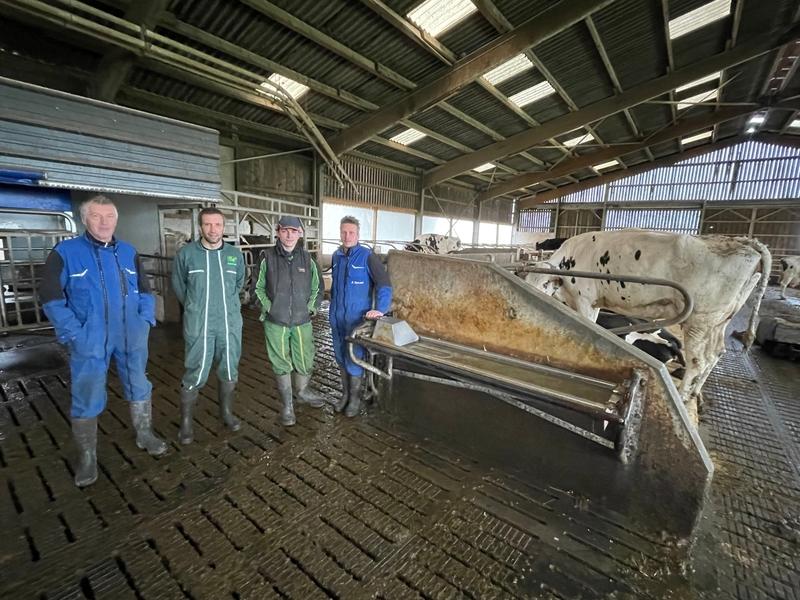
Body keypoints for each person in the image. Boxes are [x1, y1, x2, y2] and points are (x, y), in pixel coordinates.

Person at [41, 195, 167, 488]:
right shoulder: (66, 252)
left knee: (138, 382)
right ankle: (87, 457)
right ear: (84, 219)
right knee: (87, 392)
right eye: (96, 216)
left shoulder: (128, 251)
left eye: (109, 216)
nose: (104, 222)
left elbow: (146, 289)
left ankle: (144, 433)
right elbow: (50, 295)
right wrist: (73, 332)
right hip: (90, 335)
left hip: (130, 333)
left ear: (116, 219)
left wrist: (145, 319)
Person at [172, 207, 246, 444]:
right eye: (207, 225)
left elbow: (239, 283)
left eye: (217, 225)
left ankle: (226, 413)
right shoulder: (186, 254)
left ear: (224, 227)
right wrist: (195, 308)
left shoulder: (235, 254)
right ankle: (185, 423)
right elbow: (180, 287)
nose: (213, 229)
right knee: (195, 368)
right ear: (200, 226)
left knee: (229, 367)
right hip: (200, 323)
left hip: (229, 322)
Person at [254, 215, 325, 426]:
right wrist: (271, 309)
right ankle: (287, 406)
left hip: (302, 320)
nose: (289, 235)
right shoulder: (266, 257)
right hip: (276, 322)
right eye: (285, 230)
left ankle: (302, 391)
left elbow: (317, 287)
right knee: (280, 362)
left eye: (294, 231)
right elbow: (256, 288)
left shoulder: (307, 259)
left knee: (305, 357)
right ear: (278, 231)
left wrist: (310, 308)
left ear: (300, 234)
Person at [329, 216, 392, 417]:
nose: (347, 236)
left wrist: (380, 310)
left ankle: (355, 400)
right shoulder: (336, 256)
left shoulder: (367, 256)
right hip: (337, 317)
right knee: (340, 356)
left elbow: (384, 285)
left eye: (351, 232)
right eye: (344, 232)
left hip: (356, 320)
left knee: (354, 359)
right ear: (340, 233)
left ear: (358, 234)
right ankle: (345, 396)